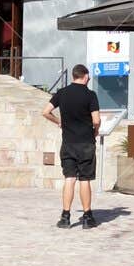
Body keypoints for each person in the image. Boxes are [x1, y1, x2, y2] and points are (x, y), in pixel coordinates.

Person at [43, 64, 102, 230]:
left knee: (69, 179)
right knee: (85, 179)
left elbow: (45, 111)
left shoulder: (62, 93)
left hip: (68, 143)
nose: (89, 79)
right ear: (84, 76)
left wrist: (59, 122)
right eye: (88, 77)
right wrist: (95, 131)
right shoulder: (90, 95)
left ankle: (65, 216)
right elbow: (96, 120)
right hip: (85, 144)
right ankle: (87, 217)